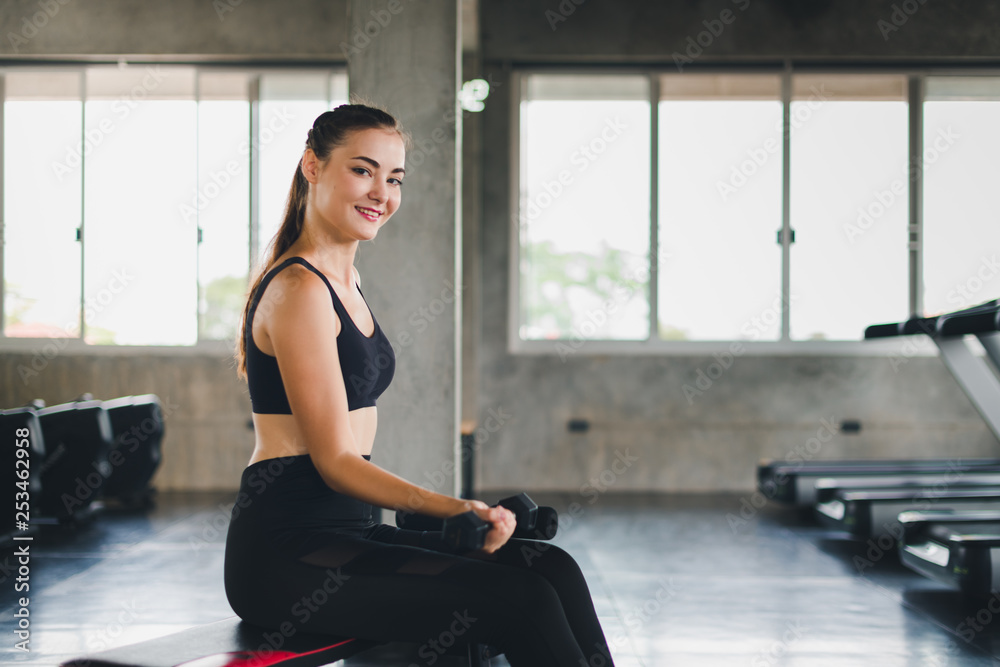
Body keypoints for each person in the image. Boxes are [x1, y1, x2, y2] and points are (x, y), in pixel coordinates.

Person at [223, 102, 615, 666]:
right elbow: (335, 461)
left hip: (349, 535)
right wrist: (455, 509)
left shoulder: (347, 280)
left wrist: (459, 514)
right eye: (363, 170)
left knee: (549, 567)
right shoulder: (300, 289)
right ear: (312, 166)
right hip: (286, 553)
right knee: (519, 598)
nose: (381, 192)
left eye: (394, 177)